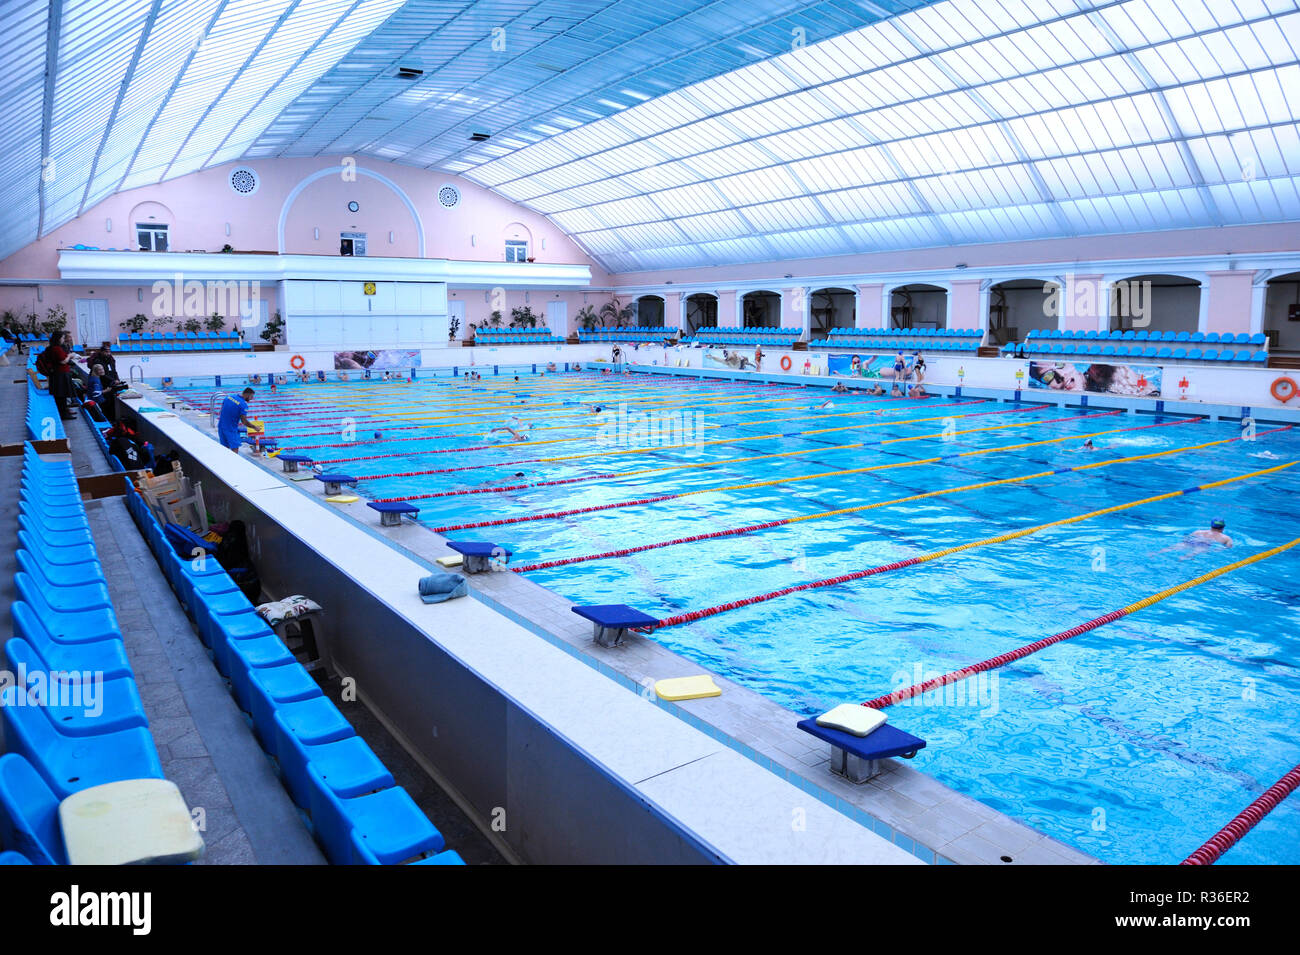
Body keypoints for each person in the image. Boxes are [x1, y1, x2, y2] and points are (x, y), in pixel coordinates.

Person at [38, 331, 77, 419]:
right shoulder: (56, 349)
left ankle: (65, 410)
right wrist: (70, 355)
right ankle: (63, 414)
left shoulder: (54, 348)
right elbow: (63, 361)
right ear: (58, 339)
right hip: (60, 374)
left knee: (61, 394)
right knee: (61, 394)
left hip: (58, 374)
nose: (63, 339)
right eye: (63, 338)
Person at [218, 387, 258, 452]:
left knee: (224, 448)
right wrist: (254, 427)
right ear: (248, 395)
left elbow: (221, 410)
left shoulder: (229, 397)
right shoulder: (243, 405)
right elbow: (244, 421)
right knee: (235, 448)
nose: (252, 398)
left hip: (221, 426)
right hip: (231, 429)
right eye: (251, 396)